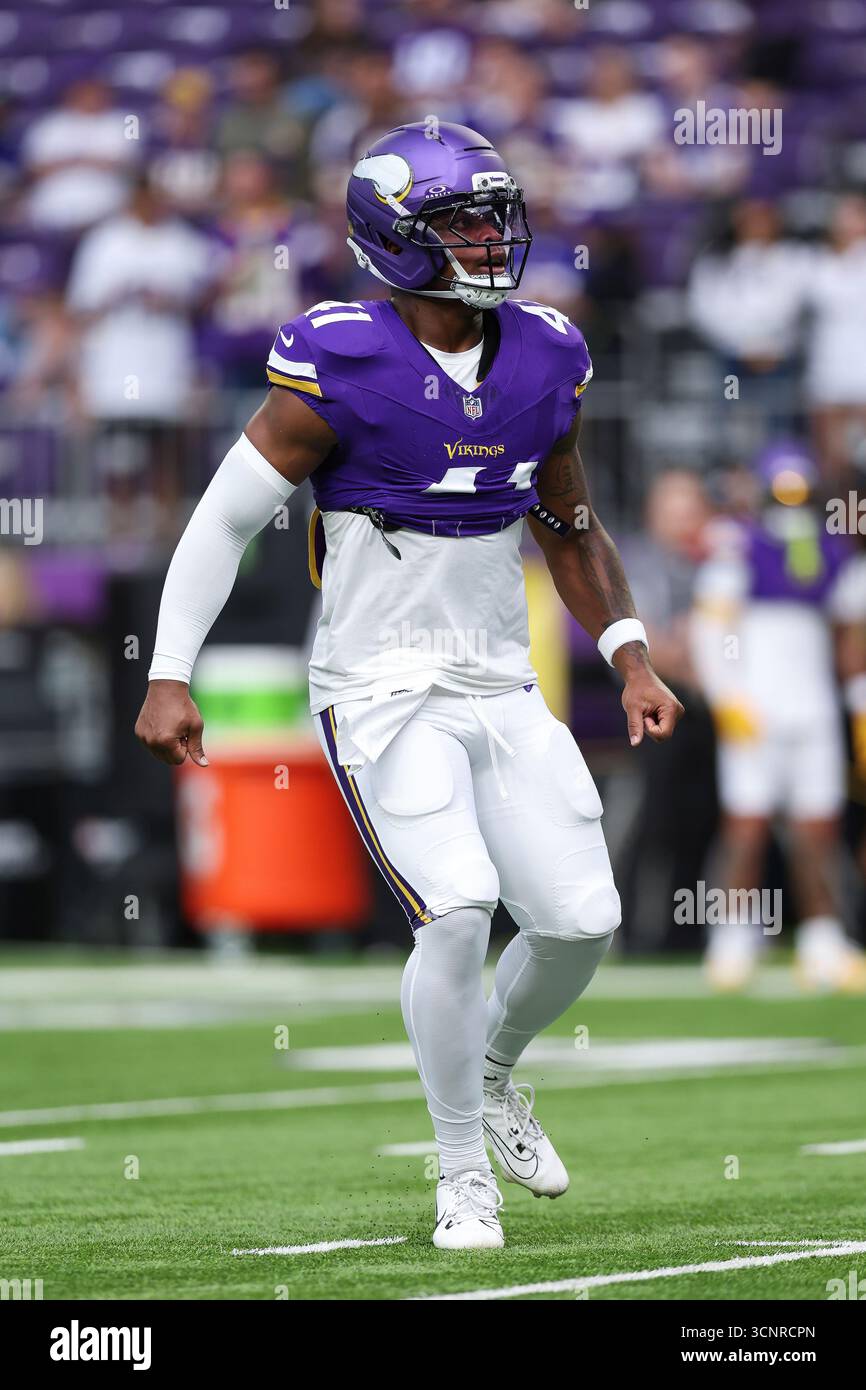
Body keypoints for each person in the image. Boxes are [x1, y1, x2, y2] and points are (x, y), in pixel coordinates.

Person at [135, 122, 682, 1249]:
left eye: (494, 214)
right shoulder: (337, 361)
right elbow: (222, 523)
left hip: (497, 678)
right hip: (378, 686)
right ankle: (454, 1166)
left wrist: (627, 651)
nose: (490, 239)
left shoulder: (545, 355)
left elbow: (568, 524)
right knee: (459, 907)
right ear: (395, 238)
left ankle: (489, 1073)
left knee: (581, 920)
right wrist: (168, 671)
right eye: (460, 223)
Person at [690, 440, 866, 993]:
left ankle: (822, 939)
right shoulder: (737, 547)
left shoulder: (836, 553)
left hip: (812, 708)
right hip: (755, 707)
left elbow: (852, 638)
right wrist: (727, 698)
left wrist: (859, 705)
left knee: (819, 828)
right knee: (747, 824)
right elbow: (710, 628)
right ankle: (733, 938)